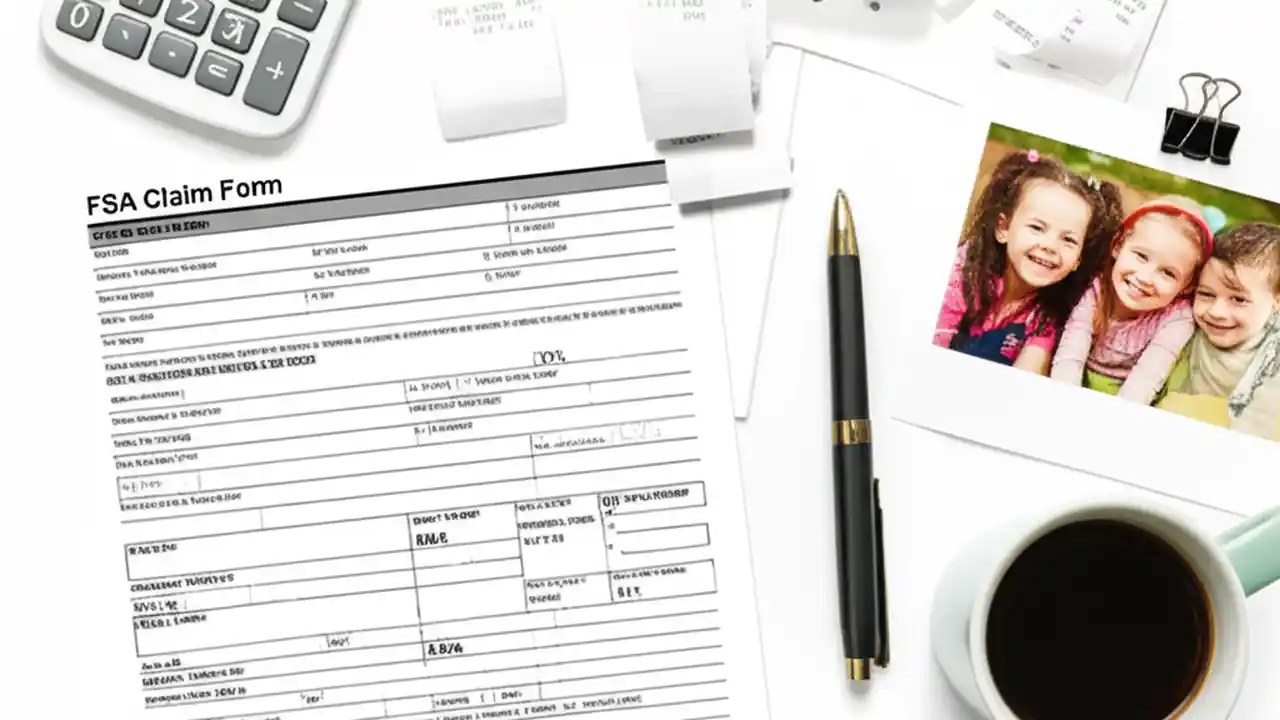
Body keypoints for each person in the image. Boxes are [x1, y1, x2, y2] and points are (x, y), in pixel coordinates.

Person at [933, 150, 1122, 372]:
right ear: (1003, 228)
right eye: (1036, 227)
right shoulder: (963, 273)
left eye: (1068, 239)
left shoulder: (1048, 312)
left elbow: (1028, 371)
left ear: (1078, 258)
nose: (1050, 246)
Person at [1050, 196, 1212, 403]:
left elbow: (1147, 378)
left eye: (1168, 273)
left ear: (1188, 285)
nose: (1145, 278)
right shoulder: (1098, 288)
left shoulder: (1178, 317)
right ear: (1118, 246)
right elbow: (1071, 353)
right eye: (1141, 256)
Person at [1159, 222, 1280, 440]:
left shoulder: (1274, 354)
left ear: (1276, 300)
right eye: (1206, 294)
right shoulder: (1183, 323)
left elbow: (1260, 424)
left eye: (1238, 299)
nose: (1217, 312)